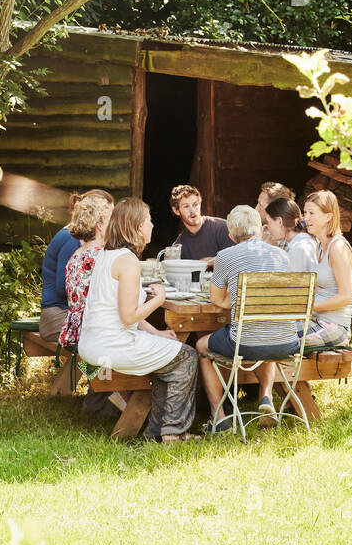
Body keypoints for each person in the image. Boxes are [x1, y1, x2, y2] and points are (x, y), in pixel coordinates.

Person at [79, 197, 201, 443]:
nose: (153, 226)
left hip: (93, 344)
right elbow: (128, 316)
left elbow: (122, 310)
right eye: (149, 220)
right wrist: (159, 299)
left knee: (169, 360)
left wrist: (156, 334)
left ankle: (156, 431)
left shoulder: (107, 255)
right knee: (187, 357)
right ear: (136, 227)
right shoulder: (128, 261)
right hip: (111, 346)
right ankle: (173, 432)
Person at [196, 204, 300, 432]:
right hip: (287, 341)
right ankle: (265, 398)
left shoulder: (225, 256)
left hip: (246, 342)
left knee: (201, 346)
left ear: (231, 235)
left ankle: (219, 417)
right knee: (266, 330)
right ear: (259, 230)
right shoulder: (282, 256)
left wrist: (240, 301)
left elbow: (217, 300)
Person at [40, 189, 114, 345]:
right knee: (106, 338)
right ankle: (86, 370)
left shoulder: (83, 238)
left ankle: (81, 370)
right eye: (110, 215)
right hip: (55, 316)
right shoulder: (71, 239)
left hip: (68, 314)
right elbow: (62, 288)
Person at [302, 190, 352, 349]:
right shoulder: (319, 246)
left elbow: (346, 297)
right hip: (315, 321)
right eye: (305, 212)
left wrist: (308, 307)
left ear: (328, 216)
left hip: (335, 328)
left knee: (282, 341)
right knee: (271, 334)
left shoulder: (338, 247)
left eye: (312, 213)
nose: (306, 218)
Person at [169, 185, 230, 267]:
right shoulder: (179, 245)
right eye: (186, 206)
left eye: (195, 204)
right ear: (176, 211)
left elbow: (238, 258)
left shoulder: (222, 227)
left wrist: (209, 262)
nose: (192, 211)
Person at [264, 196, 317, 272]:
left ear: (279, 221)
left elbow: (292, 283)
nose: (267, 227)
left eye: (268, 222)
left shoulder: (298, 249)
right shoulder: (301, 241)